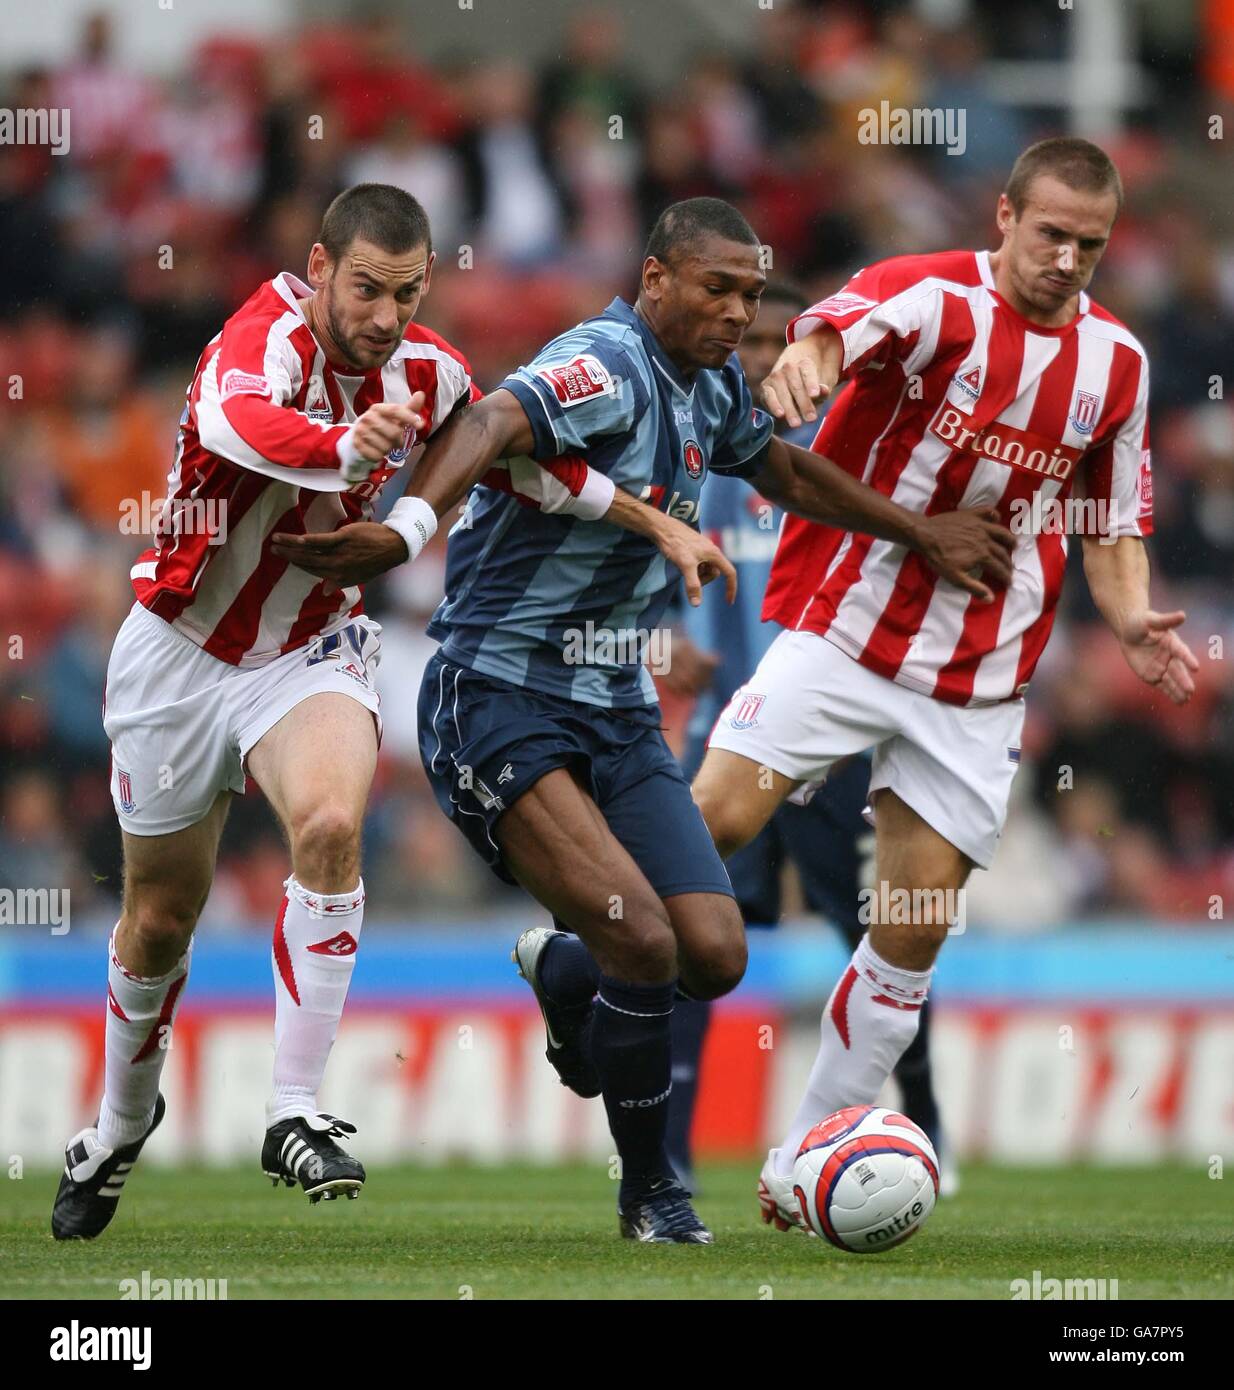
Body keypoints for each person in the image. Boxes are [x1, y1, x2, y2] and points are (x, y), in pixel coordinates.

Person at [276, 196, 1014, 1243]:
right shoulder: (605, 361)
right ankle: (650, 1194)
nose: (736, 312)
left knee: (712, 952)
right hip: (499, 693)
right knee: (644, 944)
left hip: (613, 702)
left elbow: (786, 471)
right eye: (717, 290)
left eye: (753, 295)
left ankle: (561, 966)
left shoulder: (711, 384)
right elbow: (486, 422)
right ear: (656, 278)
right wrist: (401, 533)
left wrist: (916, 531)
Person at [684, 139, 1198, 1230]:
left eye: (1088, 244)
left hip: (978, 682)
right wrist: (806, 362)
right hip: (847, 635)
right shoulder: (934, 297)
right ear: (1005, 215)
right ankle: (582, 966)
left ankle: (802, 1161)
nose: (1065, 258)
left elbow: (1109, 524)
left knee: (909, 924)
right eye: (1049, 232)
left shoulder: (1118, 365)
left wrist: (1132, 617)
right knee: (708, 823)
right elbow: (836, 328)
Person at [52, 184, 478, 1240]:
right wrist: (349, 450)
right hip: (177, 653)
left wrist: (417, 517)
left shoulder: (427, 370)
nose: (385, 316)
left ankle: (293, 1106)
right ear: (321, 265)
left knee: (333, 825)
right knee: (158, 918)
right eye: (367, 288)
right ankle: (118, 1125)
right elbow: (242, 427)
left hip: (307, 645)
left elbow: (493, 432)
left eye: (407, 293)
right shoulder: (258, 339)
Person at [661, 282, 945, 1196]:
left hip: (835, 751)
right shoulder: (693, 462)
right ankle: (670, 1147)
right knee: (695, 933)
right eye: (739, 361)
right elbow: (647, 589)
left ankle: (923, 1124)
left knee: (888, 928)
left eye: (766, 360)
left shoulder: (839, 466)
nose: (754, 377)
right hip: (724, 742)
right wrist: (659, 643)